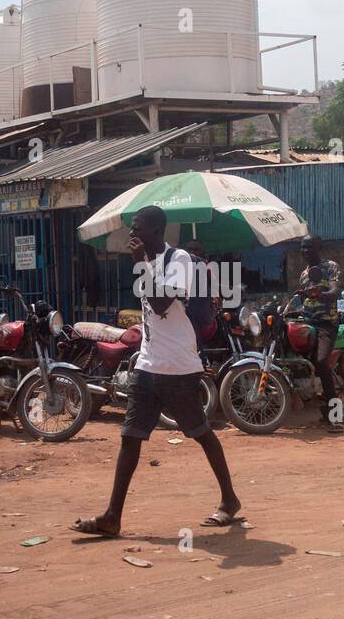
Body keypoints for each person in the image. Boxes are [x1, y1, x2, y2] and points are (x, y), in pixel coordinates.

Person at [71, 205, 241, 537]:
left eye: (139, 229)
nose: (133, 235)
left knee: (201, 433)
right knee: (130, 437)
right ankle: (112, 517)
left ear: (157, 232)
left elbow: (163, 304)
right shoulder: (147, 264)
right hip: (149, 364)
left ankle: (230, 499)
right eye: (132, 229)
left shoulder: (179, 261)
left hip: (178, 366)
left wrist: (139, 266)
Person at [297, 235, 344, 433]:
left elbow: (335, 291)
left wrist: (321, 294)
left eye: (310, 247)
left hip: (326, 323)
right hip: (308, 322)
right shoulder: (304, 274)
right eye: (303, 248)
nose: (306, 251)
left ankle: (336, 418)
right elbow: (305, 301)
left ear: (319, 247)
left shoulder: (330, 266)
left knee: (322, 362)